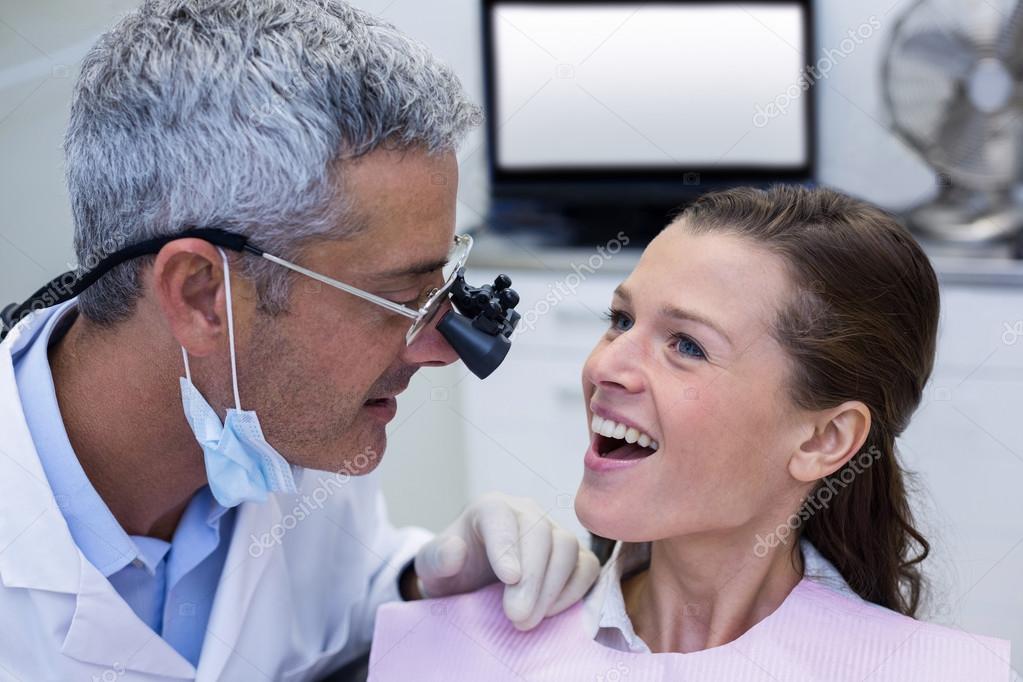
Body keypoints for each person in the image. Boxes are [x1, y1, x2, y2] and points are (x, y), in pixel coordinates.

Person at [0, 2, 600, 680]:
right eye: (402, 301)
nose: (438, 349)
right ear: (202, 296)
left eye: (441, 292)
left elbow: (333, 607)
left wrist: (418, 583)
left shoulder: (276, 433)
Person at [368, 186, 1013, 681]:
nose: (605, 367)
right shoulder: (459, 649)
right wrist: (423, 586)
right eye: (621, 319)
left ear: (824, 440)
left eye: (686, 345)